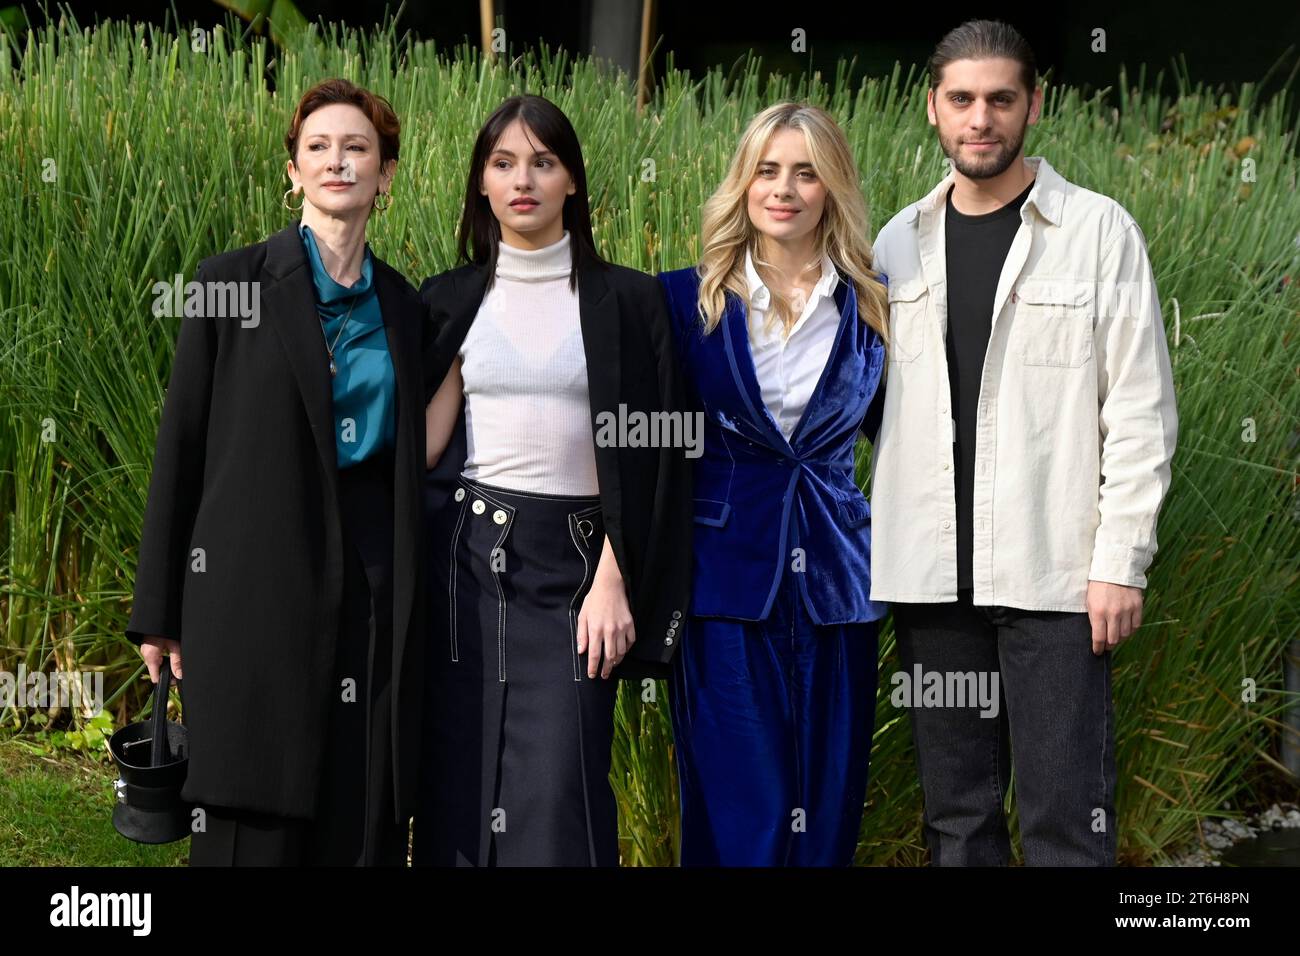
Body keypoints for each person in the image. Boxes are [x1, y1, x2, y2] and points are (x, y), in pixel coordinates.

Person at [869, 19, 1179, 865]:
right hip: (932, 585)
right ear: (932, 107)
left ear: (1032, 105)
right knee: (956, 821)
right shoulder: (896, 243)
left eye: (1000, 99)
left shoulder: (1097, 232)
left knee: (1063, 818)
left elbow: (1143, 411)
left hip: (1056, 580)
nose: (981, 119)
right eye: (962, 99)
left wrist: (1121, 561)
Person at [127, 78, 429, 866]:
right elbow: (180, 447)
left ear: (386, 174)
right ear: (291, 170)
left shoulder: (405, 309)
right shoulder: (228, 285)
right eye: (318, 147)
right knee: (247, 827)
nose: (338, 162)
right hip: (246, 594)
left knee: (350, 813)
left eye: (357, 147)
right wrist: (159, 609)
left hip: (366, 594)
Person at [413, 94, 692, 867]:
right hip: (467, 563)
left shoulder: (629, 301)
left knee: (561, 785)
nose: (522, 179)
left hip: (579, 565)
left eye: (543, 161)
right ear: (480, 184)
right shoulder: (450, 298)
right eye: (502, 164)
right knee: (460, 776)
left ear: (573, 180)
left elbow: (657, 458)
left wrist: (616, 577)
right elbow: (424, 447)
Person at [657, 102, 890, 866]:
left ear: (833, 188)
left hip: (839, 584)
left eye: (805, 172)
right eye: (766, 170)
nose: (783, 189)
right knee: (742, 808)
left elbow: (909, 442)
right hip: (724, 582)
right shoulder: (681, 301)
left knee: (826, 807)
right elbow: (648, 456)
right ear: (743, 183)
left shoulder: (876, 305)